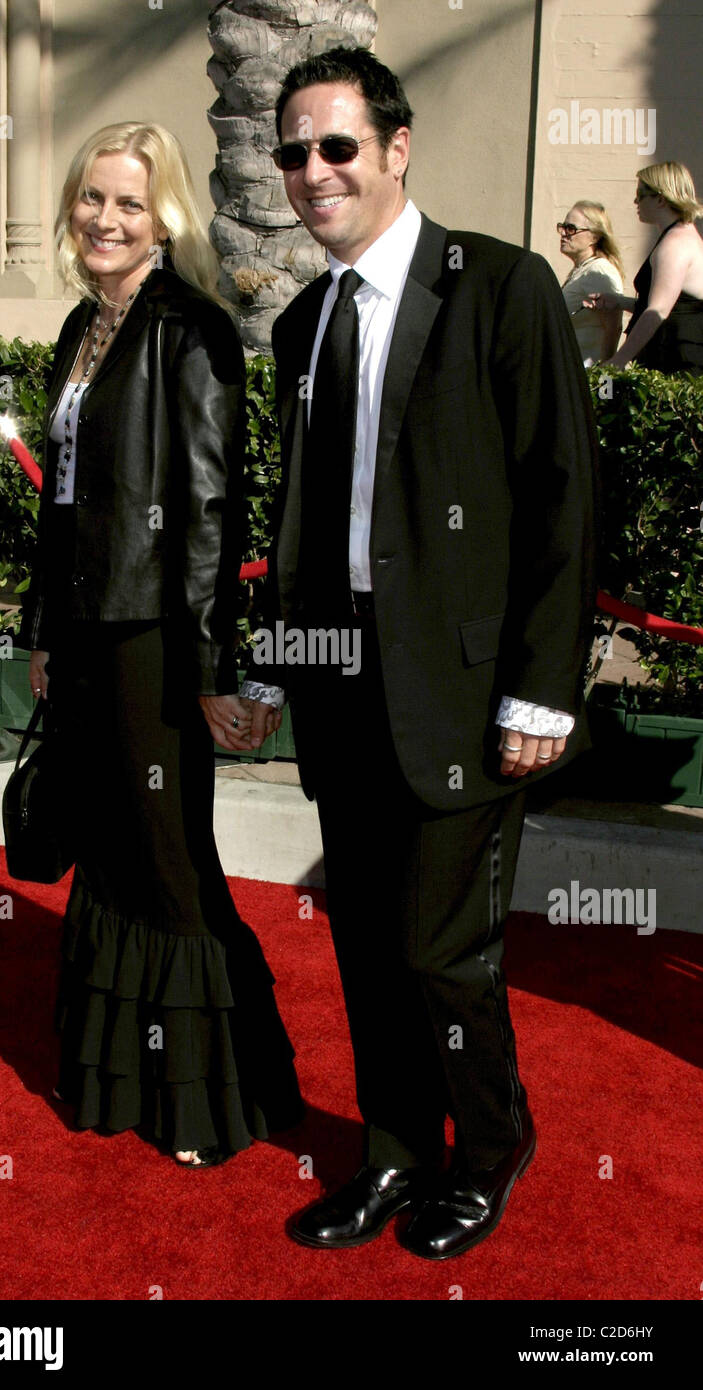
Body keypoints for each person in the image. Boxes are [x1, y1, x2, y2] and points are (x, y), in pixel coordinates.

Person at [241, 48, 597, 1259]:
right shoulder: (302, 323)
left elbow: (561, 501)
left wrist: (541, 691)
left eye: (335, 145)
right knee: (360, 938)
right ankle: (393, 1148)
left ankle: (488, 1148)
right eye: (292, 151)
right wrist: (270, 665)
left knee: (441, 950)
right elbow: (299, 523)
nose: (311, 171)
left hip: (459, 691)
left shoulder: (498, 288)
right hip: (341, 683)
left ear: (396, 148)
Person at [22, 122, 302, 1168]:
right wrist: (45, 634)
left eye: (129, 204)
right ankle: (119, 1078)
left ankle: (221, 1100)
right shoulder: (79, 330)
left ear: (164, 216)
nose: (105, 219)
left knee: (172, 862)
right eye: (93, 198)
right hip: (90, 638)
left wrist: (210, 668)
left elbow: (208, 514)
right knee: (111, 854)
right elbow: (60, 504)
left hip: (154, 641)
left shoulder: (192, 330)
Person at [585, 161, 703, 375]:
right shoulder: (679, 236)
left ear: (660, 198)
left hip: (679, 366)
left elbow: (658, 311)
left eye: (640, 194)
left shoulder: (676, 244)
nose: (635, 201)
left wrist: (618, 360)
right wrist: (619, 302)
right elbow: (675, 305)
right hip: (673, 360)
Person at [557, 201, 623, 365]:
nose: (564, 233)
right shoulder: (582, 271)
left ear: (594, 236)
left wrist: (604, 381)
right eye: (563, 227)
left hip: (591, 379)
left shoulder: (599, 272)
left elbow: (614, 328)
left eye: (571, 229)